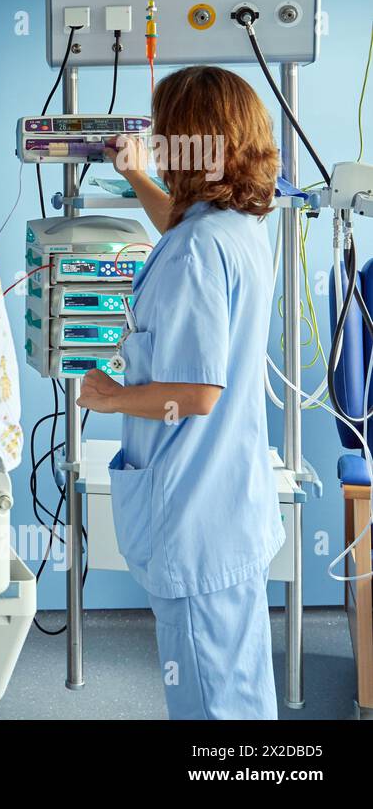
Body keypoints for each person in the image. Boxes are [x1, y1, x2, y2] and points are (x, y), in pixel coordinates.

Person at [76, 66, 285, 719]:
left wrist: (108, 398)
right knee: (240, 692)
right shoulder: (237, 229)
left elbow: (197, 394)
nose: (158, 138)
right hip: (231, 513)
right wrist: (137, 173)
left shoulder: (197, 249)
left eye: (163, 128)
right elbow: (183, 226)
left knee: (212, 709)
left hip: (197, 522)